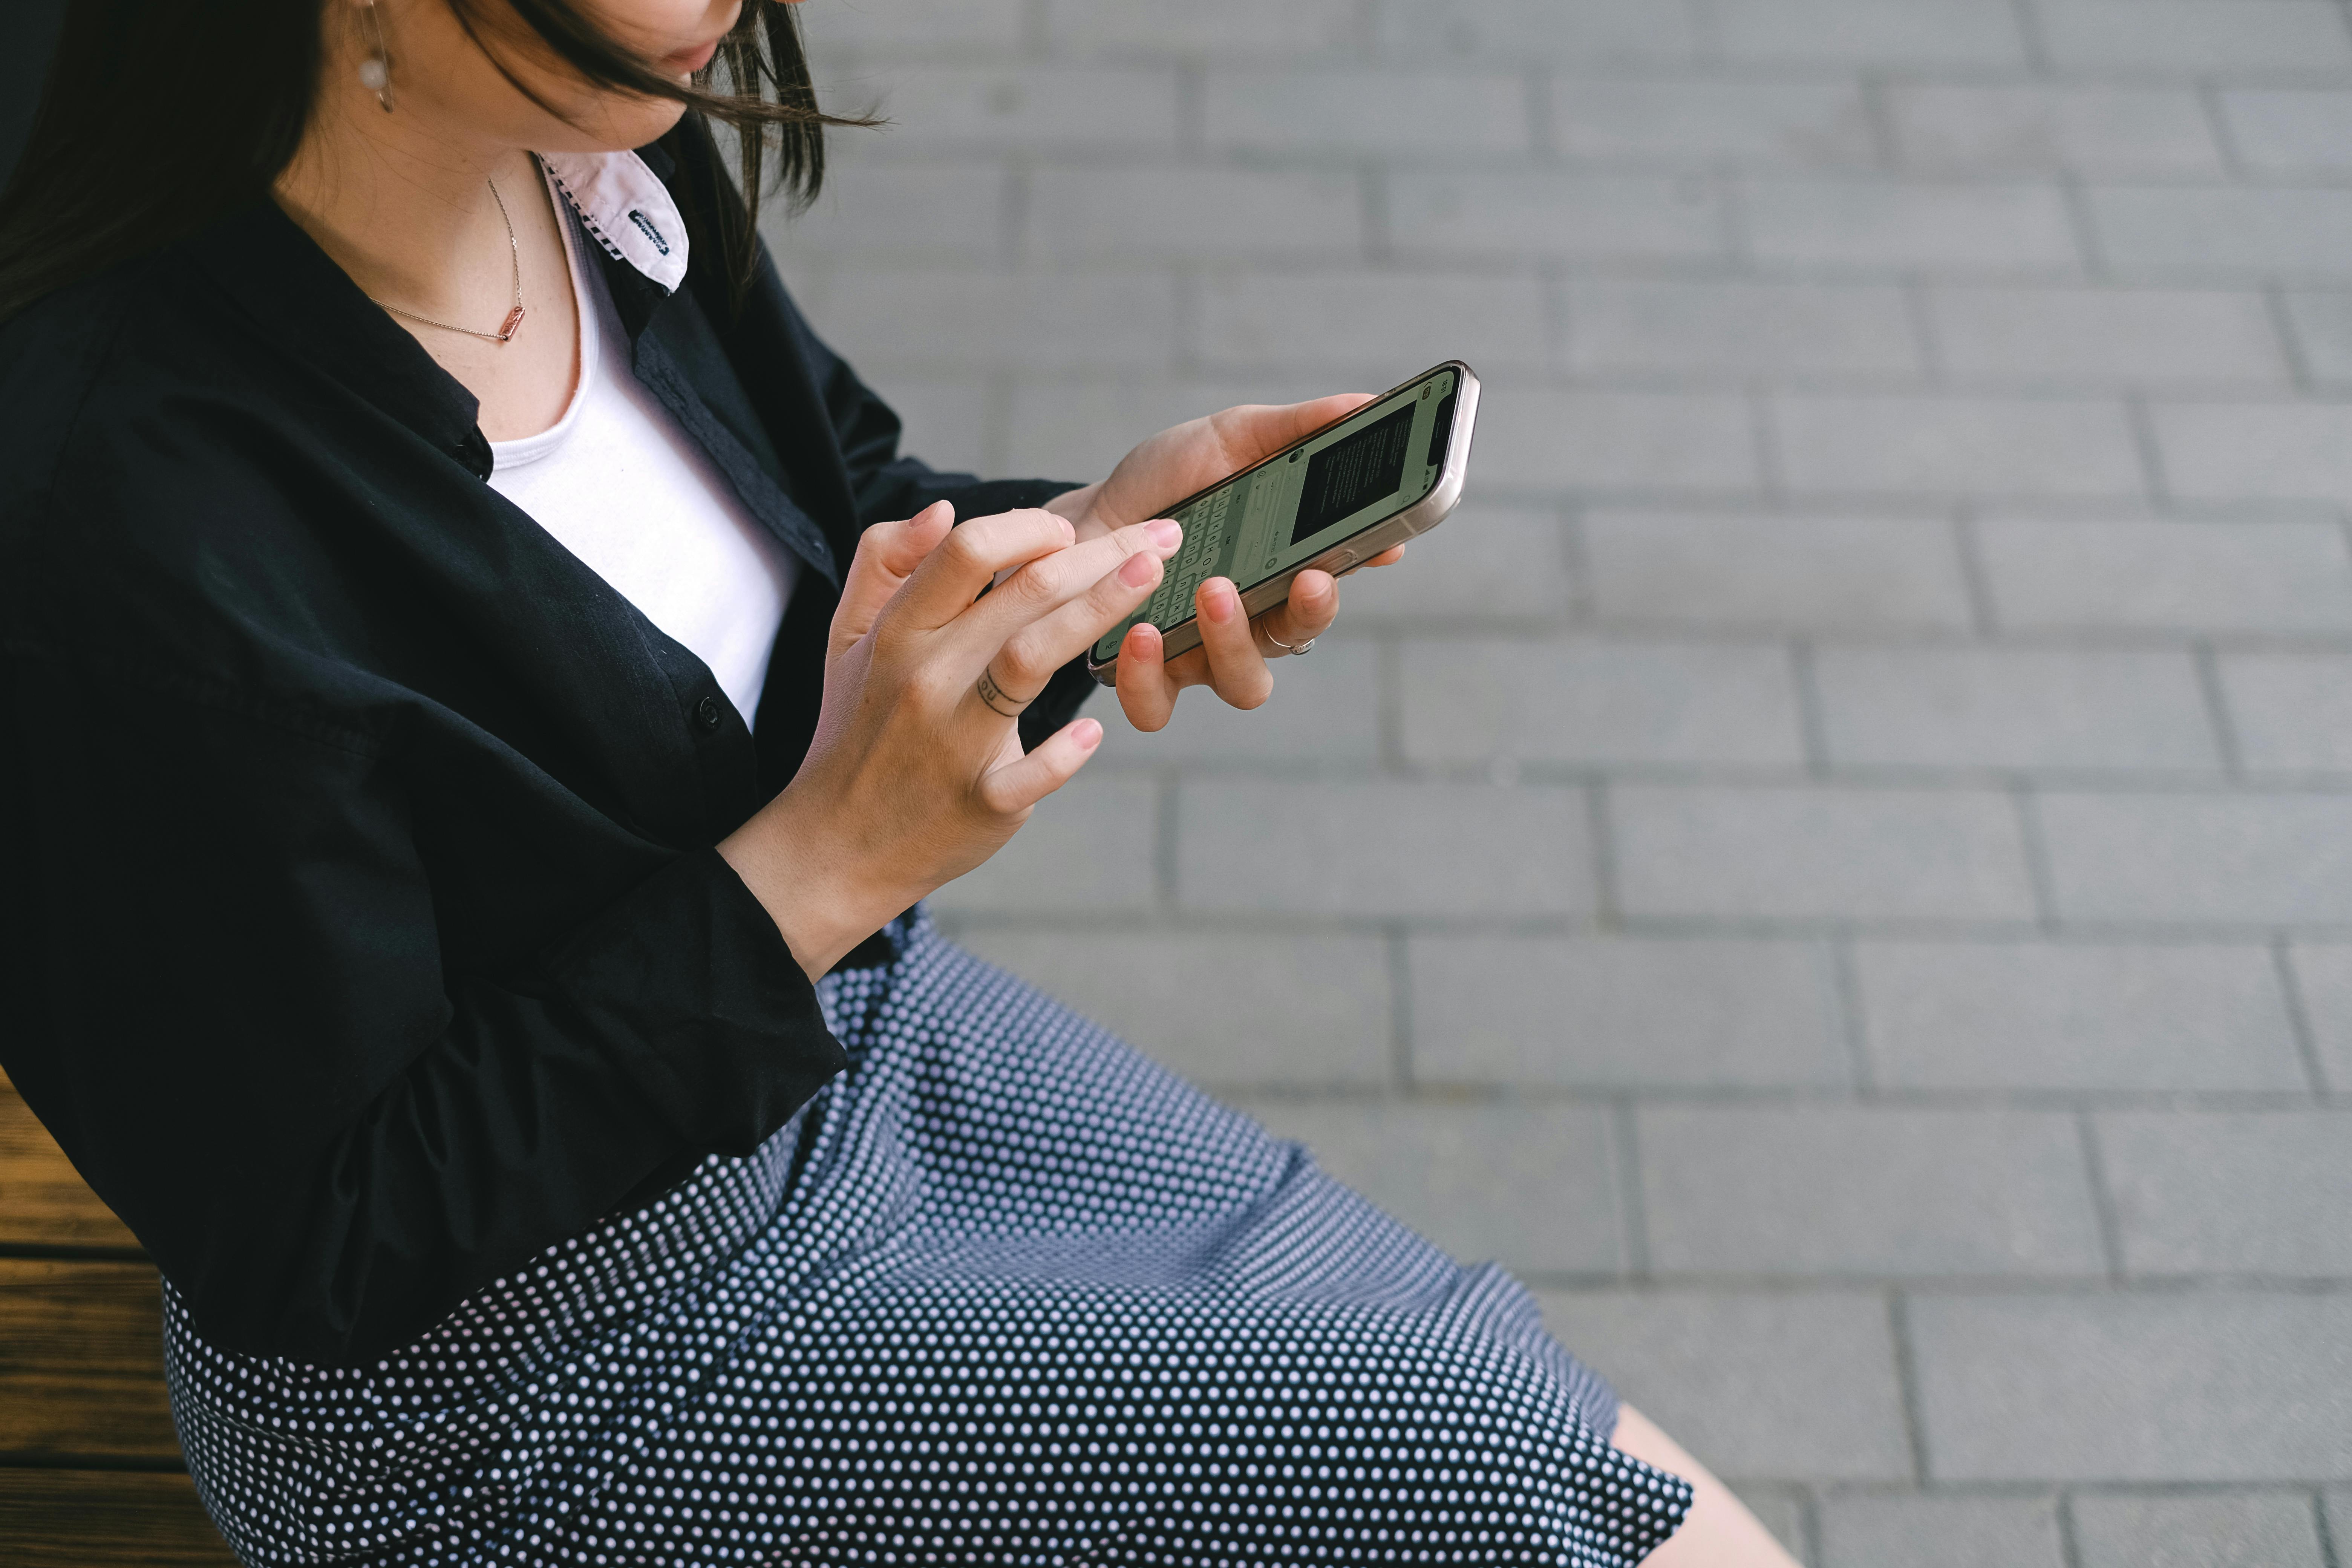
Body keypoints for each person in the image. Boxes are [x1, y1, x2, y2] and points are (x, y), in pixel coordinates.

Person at [0, 2, 1798, 1563]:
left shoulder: (587, 159)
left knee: (1481, 1383)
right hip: (515, 1394)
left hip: (821, 1028)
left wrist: (1097, 547)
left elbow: (829, 502)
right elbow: (327, 1231)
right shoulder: (118, 511)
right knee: (1454, 1436)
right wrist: (824, 867)